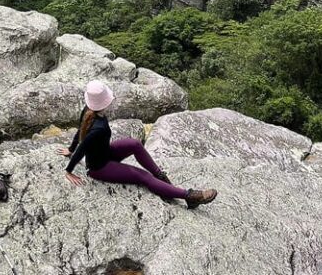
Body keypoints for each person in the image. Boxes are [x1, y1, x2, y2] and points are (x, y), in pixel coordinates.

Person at [57, 80, 217, 209]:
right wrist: (69, 171)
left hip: (105, 154)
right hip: (99, 168)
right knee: (142, 176)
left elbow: (80, 131)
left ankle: (162, 180)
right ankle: (189, 196)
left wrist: (70, 149)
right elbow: (83, 146)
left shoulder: (88, 110)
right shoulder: (98, 128)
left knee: (134, 144)